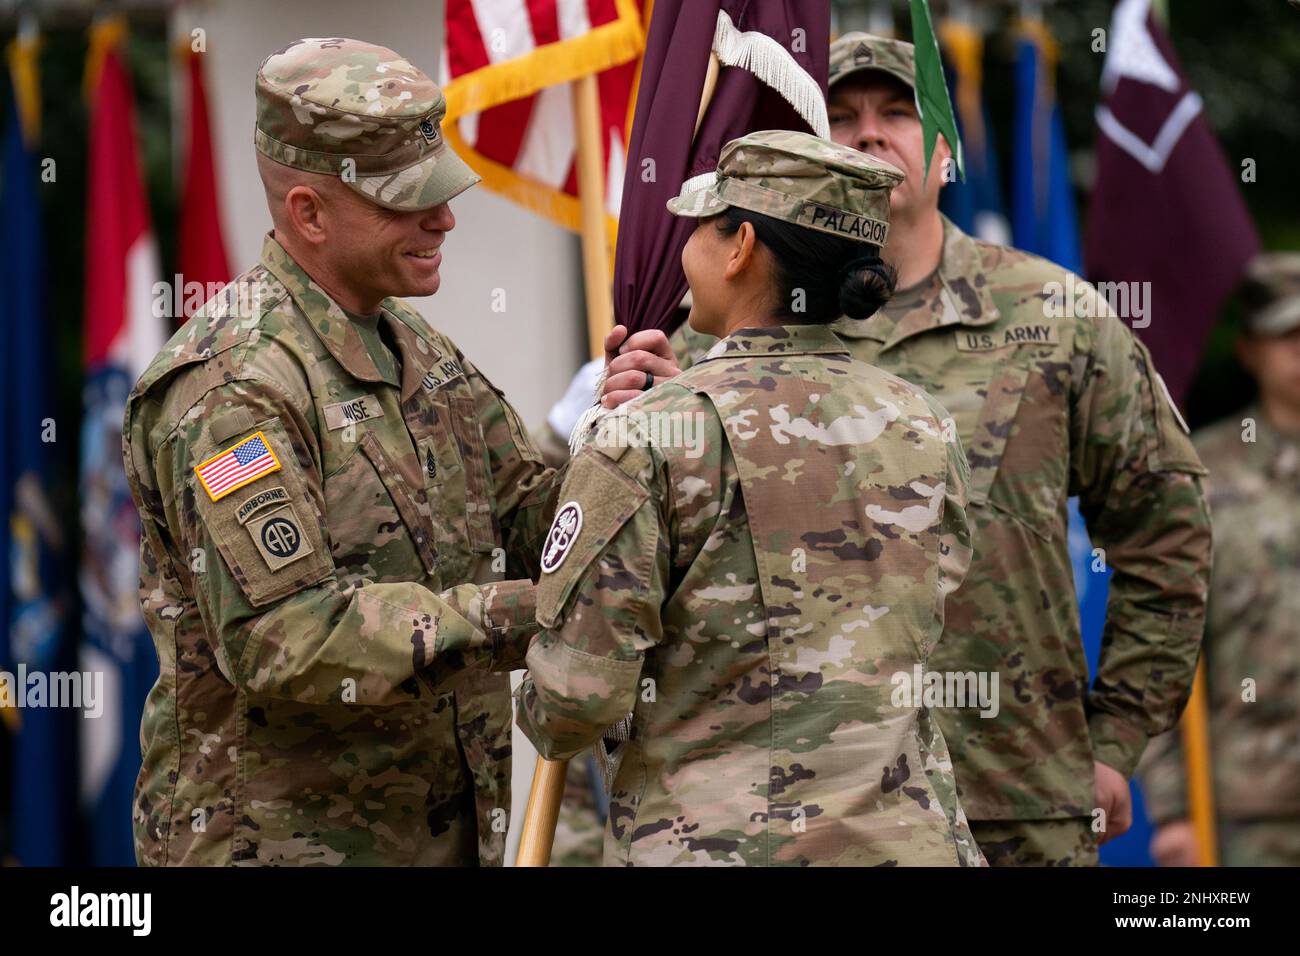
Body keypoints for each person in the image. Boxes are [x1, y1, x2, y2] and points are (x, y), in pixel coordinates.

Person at [121, 37, 674, 866]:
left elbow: (535, 523)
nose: (444, 217)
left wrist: (624, 440)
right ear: (309, 212)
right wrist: (530, 612)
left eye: (439, 191)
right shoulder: (233, 389)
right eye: (405, 201)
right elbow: (286, 637)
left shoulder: (418, 348)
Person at [516, 129, 985, 867]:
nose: (685, 248)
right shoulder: (922, 420)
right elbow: (929, 606)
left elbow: (572, 703)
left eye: (702, 226)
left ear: (738, 249)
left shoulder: (643, 437)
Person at [809, 33, 1213, 865]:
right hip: (811, 809)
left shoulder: (1055, 314)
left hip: (1018, 804)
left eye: (898, 111)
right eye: (841, 117)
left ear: (946, 148)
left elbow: (1167, 526)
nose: (869, 134)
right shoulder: (746, 328)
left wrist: (1116, 738)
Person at [1139, 253, 1300, 867]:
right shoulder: (1203, 476)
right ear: (1251, 350)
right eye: (1289, 336)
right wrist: (1175, 810)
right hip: (1247, 809)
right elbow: (1162, 647)